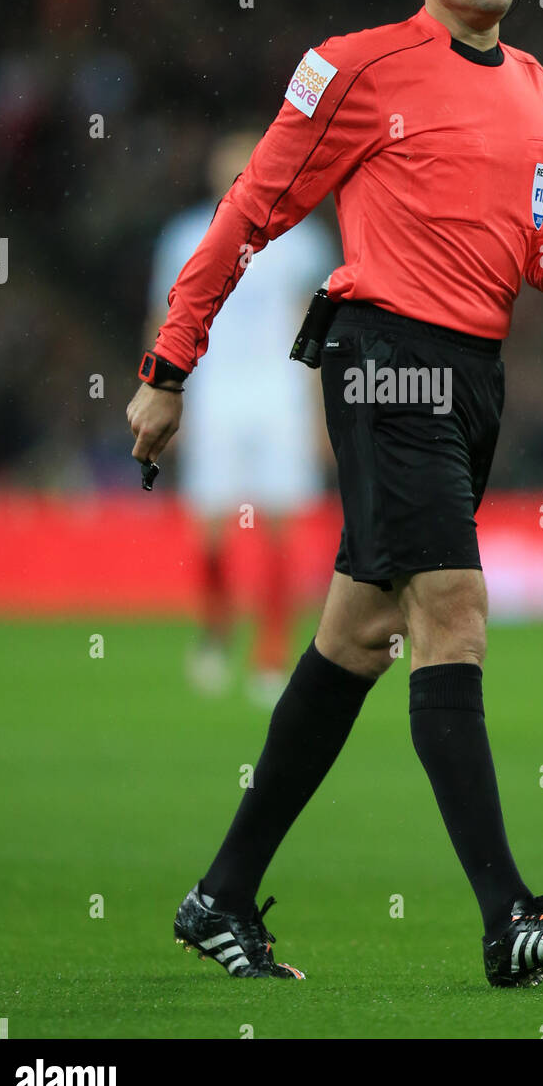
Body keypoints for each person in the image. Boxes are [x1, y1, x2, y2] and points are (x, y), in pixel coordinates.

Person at [126, 0, 543, 988]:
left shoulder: (538, 92)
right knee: (452, 613)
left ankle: (218, 894)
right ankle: (505, 916)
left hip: (472, 376)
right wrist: (167, 365)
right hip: (384, 362)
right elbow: (250, 212)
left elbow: (538, 253)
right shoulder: (356, 68)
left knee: (355, 637)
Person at [145, 129, 336, 706]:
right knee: (208, 522)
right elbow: (165, 315)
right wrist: (163, 393)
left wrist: (319, 412)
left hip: (279, 393)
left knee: (280, 520)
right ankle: (215, 627)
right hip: (214, 394)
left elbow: (319, 328)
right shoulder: (184, 234)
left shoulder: (300, 239)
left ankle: (273, 646)